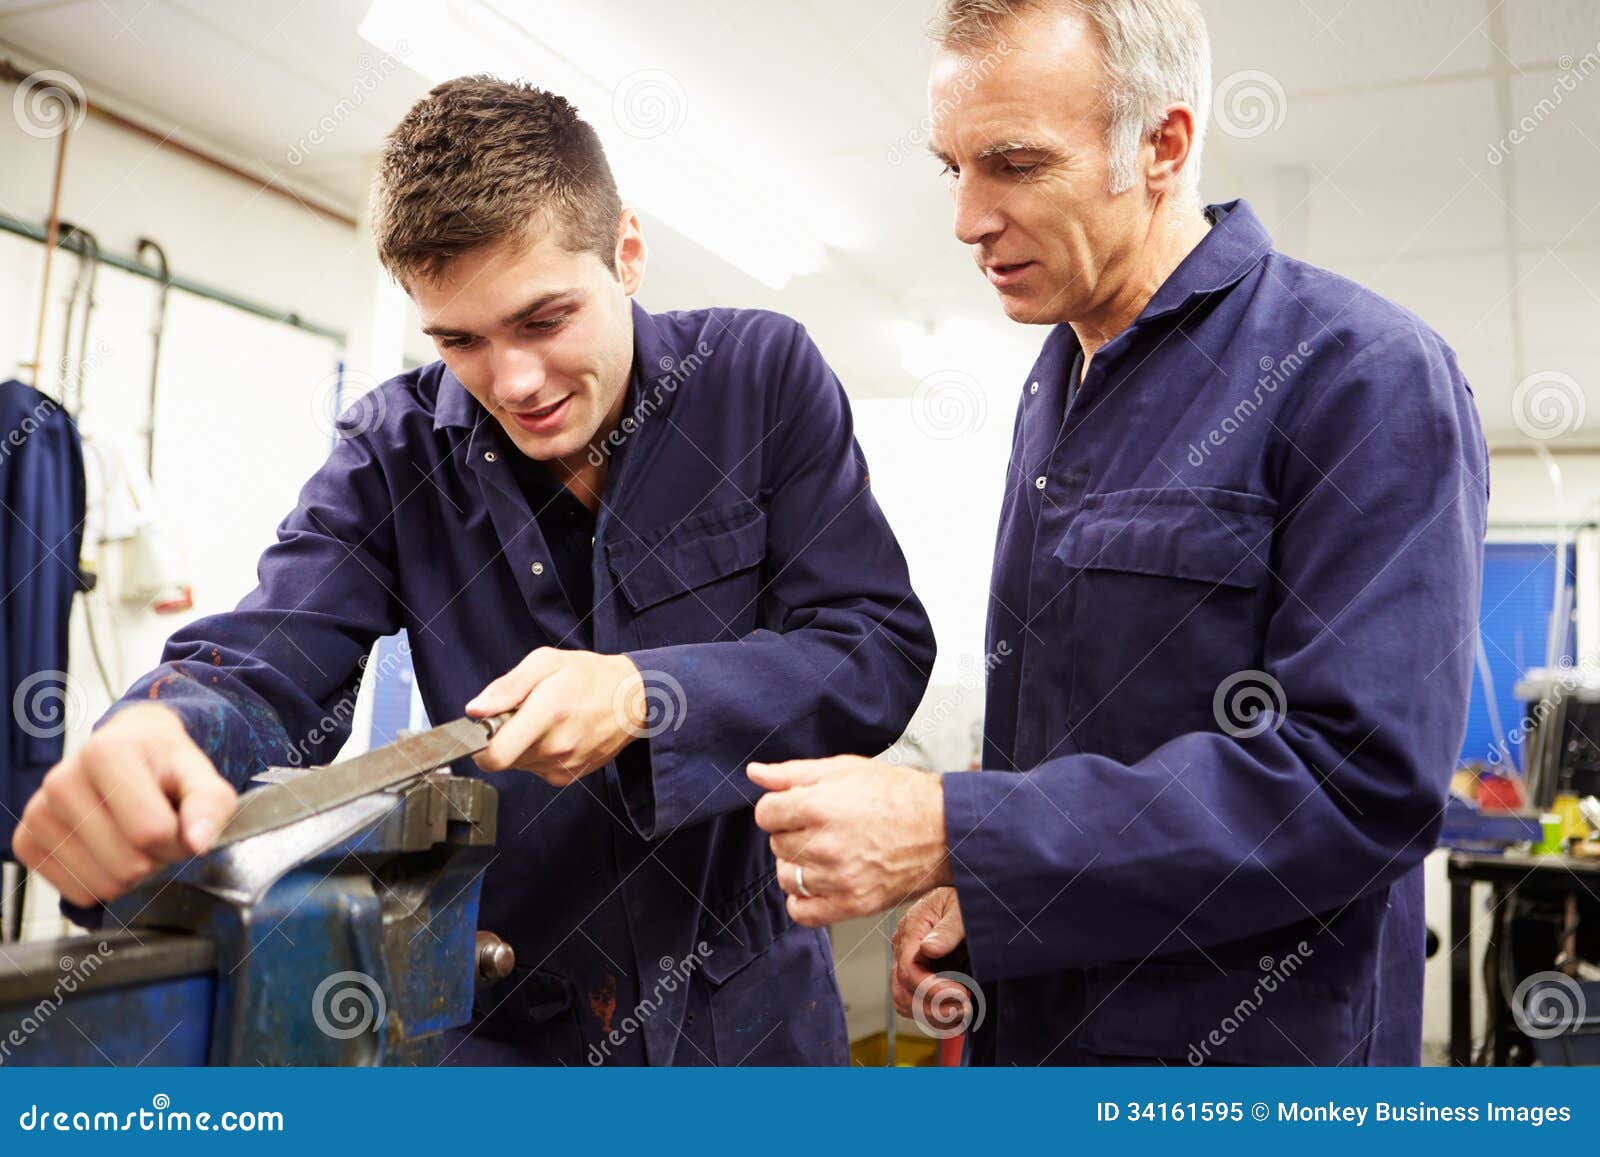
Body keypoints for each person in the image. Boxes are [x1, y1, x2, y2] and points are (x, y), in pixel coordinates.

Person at [12, 77, 935, 1066]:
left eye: (543, 319)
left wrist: (645, 694)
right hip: (506, 1020)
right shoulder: (392, 450)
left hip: (746, 1025)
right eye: (460, 340)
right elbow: (266, 656)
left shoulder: (758, 380)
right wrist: (165, 727)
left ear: (626, 250)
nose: (515, 382)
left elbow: (873, 646)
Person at [750, 0, 1487, 1066]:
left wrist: (955, 828)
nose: (965, 217)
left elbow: (1356, 782)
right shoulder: (1055, 386)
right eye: (949, 167)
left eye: (1011, 163)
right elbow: (1076, 739)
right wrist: (984, 896)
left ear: (1162, 144)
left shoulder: (1359, 374)